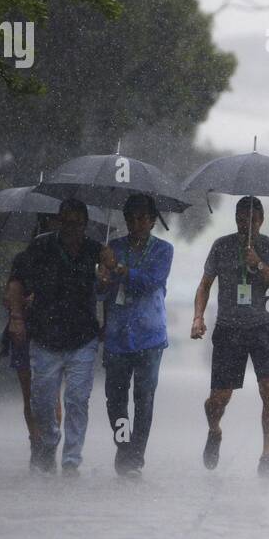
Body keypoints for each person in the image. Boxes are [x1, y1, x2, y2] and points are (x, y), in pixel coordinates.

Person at [7, 198, 111, 476]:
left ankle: (71, 460)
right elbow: (16, 282)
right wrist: (17, 318)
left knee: (77, 399)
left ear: (86, 224)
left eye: (77, 223)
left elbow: (107, 289)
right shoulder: (40, 247)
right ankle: (49, 441)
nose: (71, 228)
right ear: (58, 221)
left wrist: (105, 275)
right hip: (45, 337)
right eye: (66, 221)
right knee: (42, 400)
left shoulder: (96, 250)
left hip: (83, 338)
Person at [190, 196, 269, 478]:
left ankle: (266, 457)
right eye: (240, 219)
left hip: (263, 327)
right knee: (218, 399)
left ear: (261, 220)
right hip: (229, 327)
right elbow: (204, 285)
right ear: (235, 219)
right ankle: (214, 430)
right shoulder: (222, 246)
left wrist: (259, 266)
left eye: (251, 219)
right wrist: (198, 317)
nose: (245, 224)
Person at [98, 194, 173, 478]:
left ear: (152, 221)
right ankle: (123, 445)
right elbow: (101, 293)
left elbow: (149, 282)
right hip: (117, 336)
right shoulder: (112, 247)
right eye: (131, 218)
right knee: (115, 398)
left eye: (142, 217)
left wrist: (117, 268)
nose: (136, 223)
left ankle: (136, 454)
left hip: (149, 337)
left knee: (144, 397)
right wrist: (102, 278)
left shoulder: (163, 251)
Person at [1, 214, 61, 454]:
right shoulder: (24, 260)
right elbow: (9, 296)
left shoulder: (66, 261)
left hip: (54, 335)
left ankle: (50, 444)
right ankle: (36, 443)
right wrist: (23, 304)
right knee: (30, 395)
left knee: (52, 394)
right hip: (25, 334)